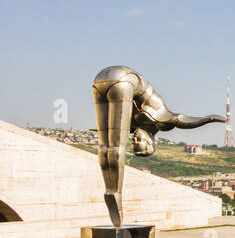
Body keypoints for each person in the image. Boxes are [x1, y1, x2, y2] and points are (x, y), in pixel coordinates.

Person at [92, 65, 224, 225]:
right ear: (151, 140)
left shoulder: (132, 124)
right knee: (115, 147)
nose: (134, 140)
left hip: (100, 81)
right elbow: (185, 120)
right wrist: (209, 119)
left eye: (134, 142)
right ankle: (115, 193)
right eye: (139, 142)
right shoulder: (162, 119)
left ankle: (110, 191)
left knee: (105, 146)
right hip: (125, 79)